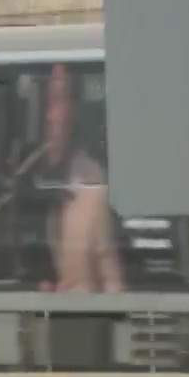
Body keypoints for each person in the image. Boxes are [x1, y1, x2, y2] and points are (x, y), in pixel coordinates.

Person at [36, 65, 124, 293]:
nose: (47, 116)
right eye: (42, 101)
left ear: (76, 110)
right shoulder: (17, 187)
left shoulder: (95, 191)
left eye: (56, 100)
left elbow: (113, 283)